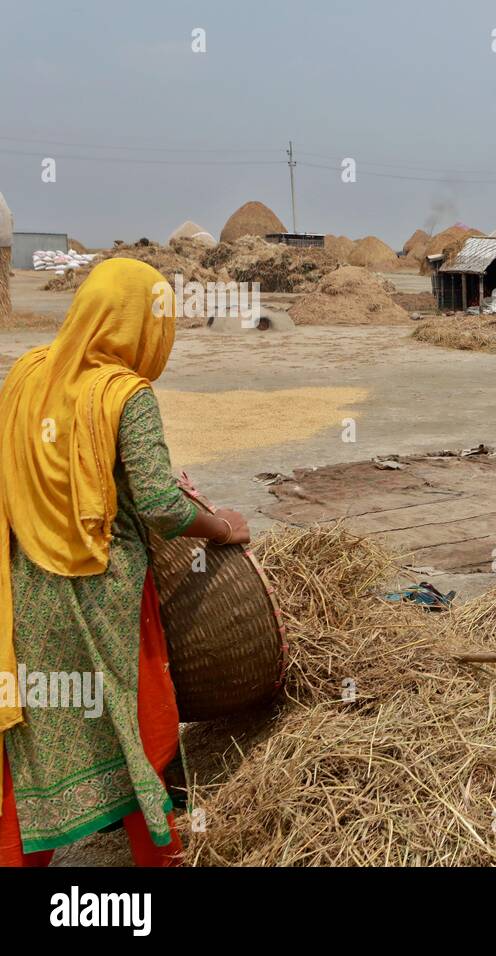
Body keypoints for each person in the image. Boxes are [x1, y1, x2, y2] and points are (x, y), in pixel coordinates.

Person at [0, 258, 250, 866]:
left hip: (26, 592)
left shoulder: (28, 372)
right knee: (136, 729)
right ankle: (156, 858)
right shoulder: (124, 393)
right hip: (103, 594)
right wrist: (221, 528)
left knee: (39, 738)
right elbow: (162, 506)